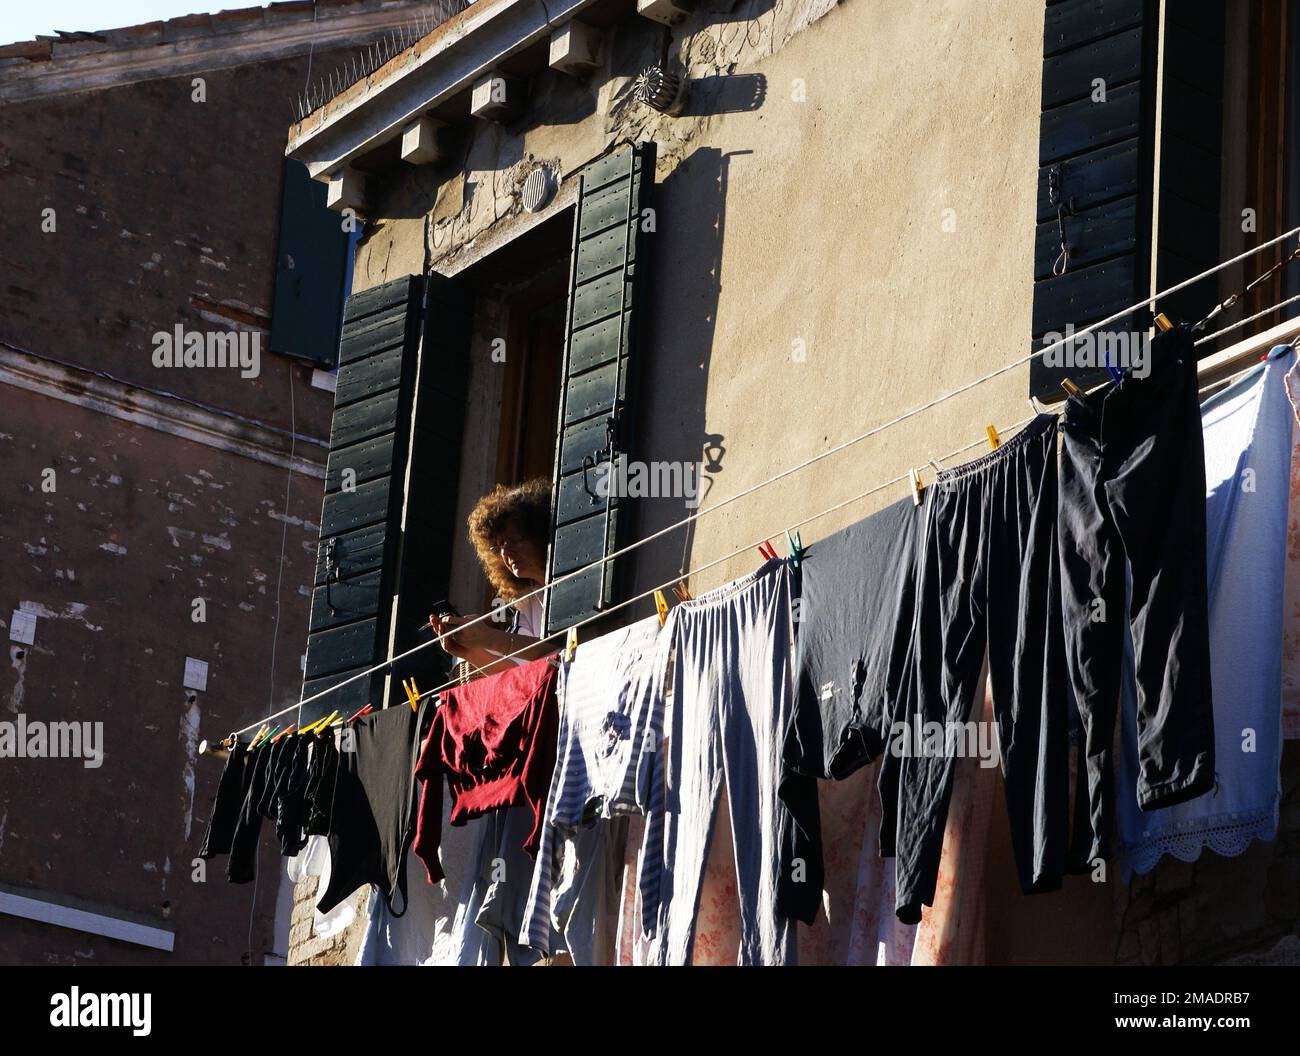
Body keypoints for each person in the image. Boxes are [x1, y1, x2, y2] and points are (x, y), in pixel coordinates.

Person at [429, 478, 555, 674]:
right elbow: (519, 674)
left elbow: (558, 646)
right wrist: (469, 652)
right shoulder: (528, 600)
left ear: (541, 534)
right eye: (499, 546)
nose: (505, 553)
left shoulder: (572, 580)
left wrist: (487, 637)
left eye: (513, 541)